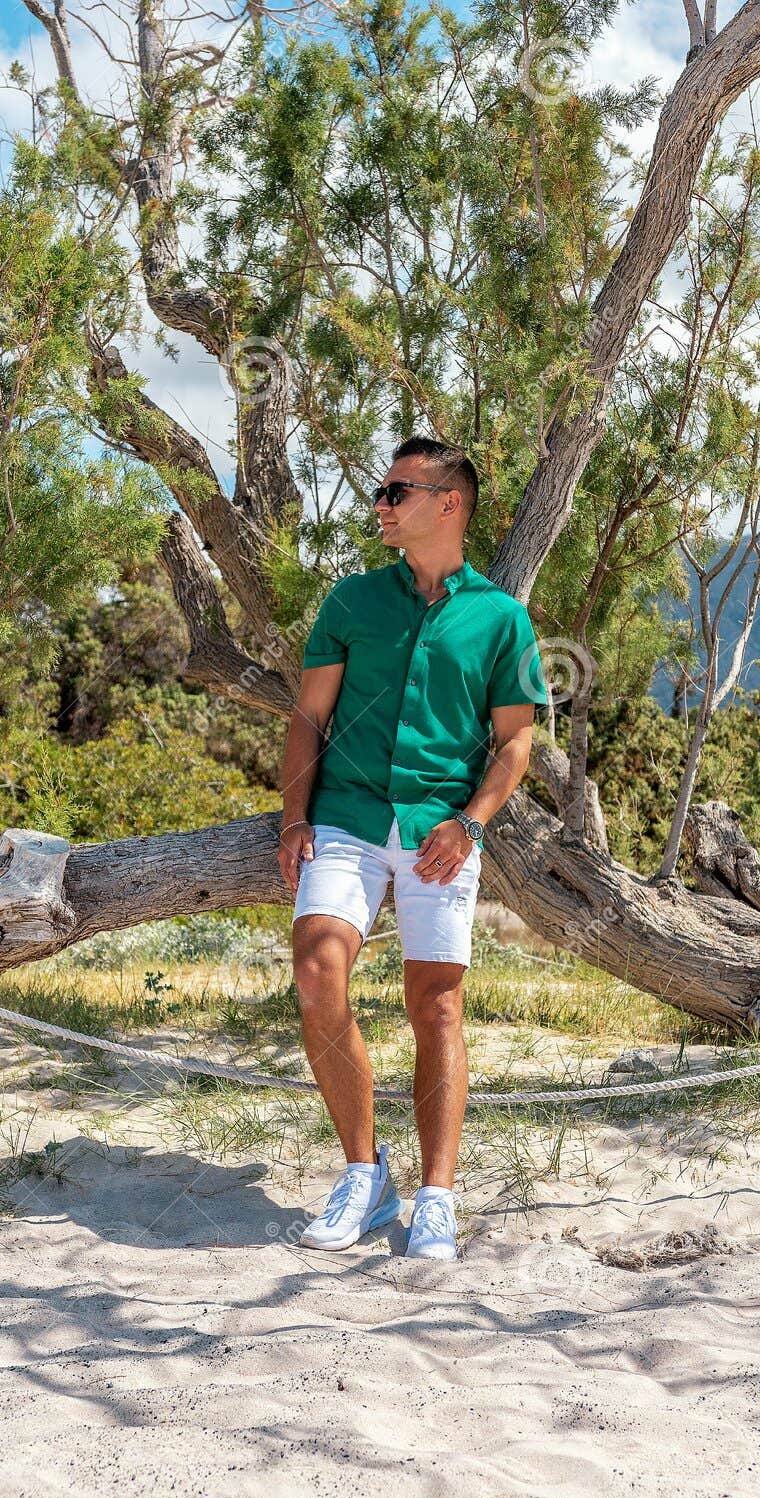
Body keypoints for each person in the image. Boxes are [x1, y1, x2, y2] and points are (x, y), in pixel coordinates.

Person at [276, 437, 543, 1259]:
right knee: (317, 972)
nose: (382, 505)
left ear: (447, 502)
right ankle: (364, 1172)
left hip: (441, 836)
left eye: (397, 491)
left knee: (436, 1006)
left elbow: (514, 744)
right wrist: (293, 819)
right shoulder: (351, 601)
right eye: (379, 490)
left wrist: (470, 823)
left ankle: (436, 1195)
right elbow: (308, 720)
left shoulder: (500, 618)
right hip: (346, 819)